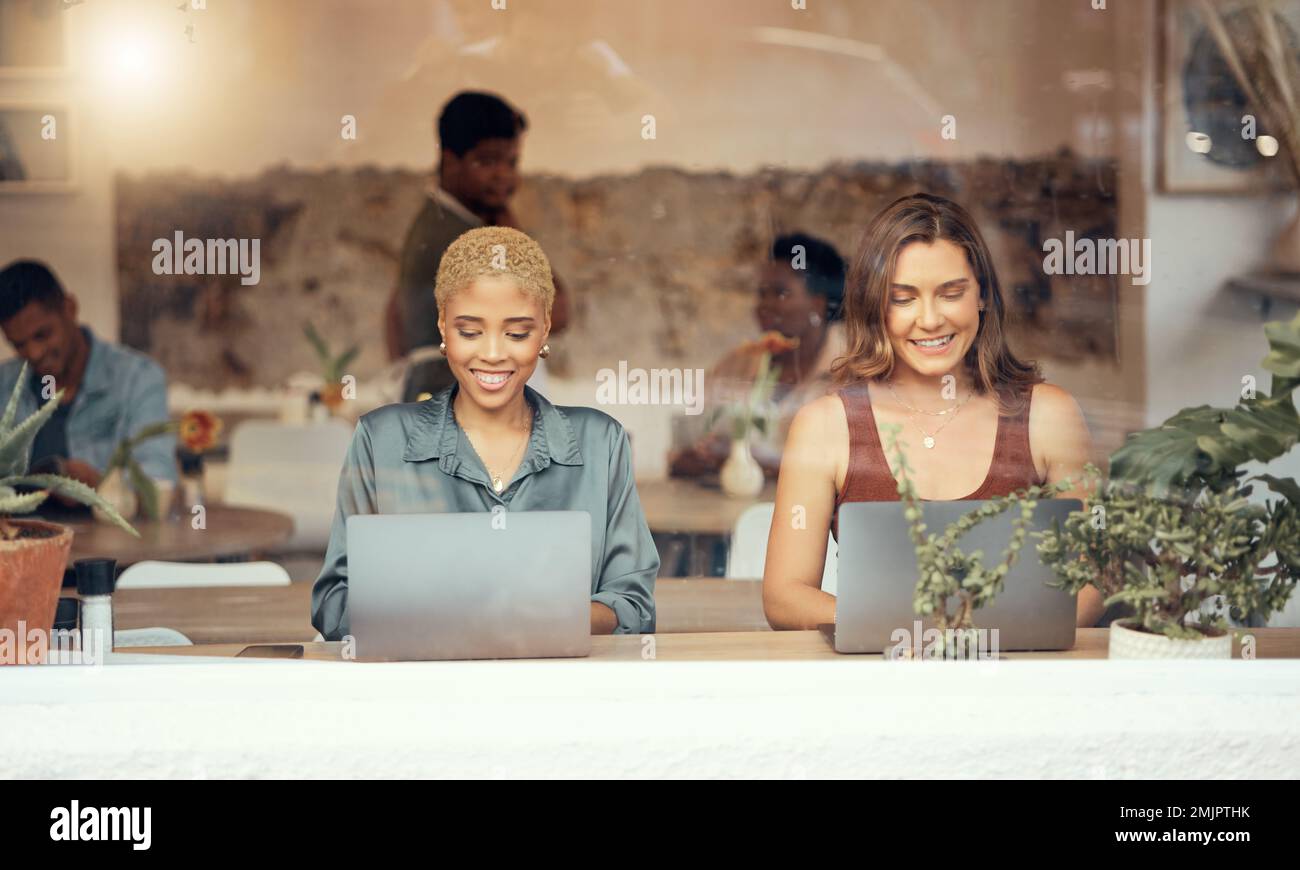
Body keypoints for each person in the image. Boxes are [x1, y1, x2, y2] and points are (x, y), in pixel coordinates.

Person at [762, 194, 1105, 630]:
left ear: (981, 295)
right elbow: (784, 597)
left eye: (951, 293)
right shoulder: (824, 426)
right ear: (876, 308)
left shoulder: (1049, 415)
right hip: (879, 681)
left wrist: (979, 635)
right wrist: (915, 629)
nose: (929, 319)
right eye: (903, 299)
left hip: (1019, 683)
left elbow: (1092, 581)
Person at [313, 226, 656, 640]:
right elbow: (335, 606)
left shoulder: (601, 443)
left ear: (545, 329)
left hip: (559, 696)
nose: (492, 354)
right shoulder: (380, 441)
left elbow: (634, 607)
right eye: (470, 331)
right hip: (423, 695)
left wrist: (518, 621)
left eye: (517, 333)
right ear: (442, 325)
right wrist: (486, 619)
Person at [384, 91, 569, 398]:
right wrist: (514, 232)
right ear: (450, 162)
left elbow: (393, 318)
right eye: (487, 161)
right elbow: (558, 313)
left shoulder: (432, 223)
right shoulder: (466, 239)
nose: (504, 176)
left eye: (511, 161)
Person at [669, 233, 847, 479]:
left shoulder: (853, 371)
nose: (765, 305)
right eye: (762, 294)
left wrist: (764, 468)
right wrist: (692, 460)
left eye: (781, 293)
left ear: (817, 304)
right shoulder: (737, 364)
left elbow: (850, 469)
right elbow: (684, 447)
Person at [0, 260, 177, 495]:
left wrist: (103, 486)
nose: (34, 353)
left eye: (42, 335)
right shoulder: (5, 382)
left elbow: (159, 480)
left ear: (70, 308)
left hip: (108, 529)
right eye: (19, 345)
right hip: (19, 531)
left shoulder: (137, 379)